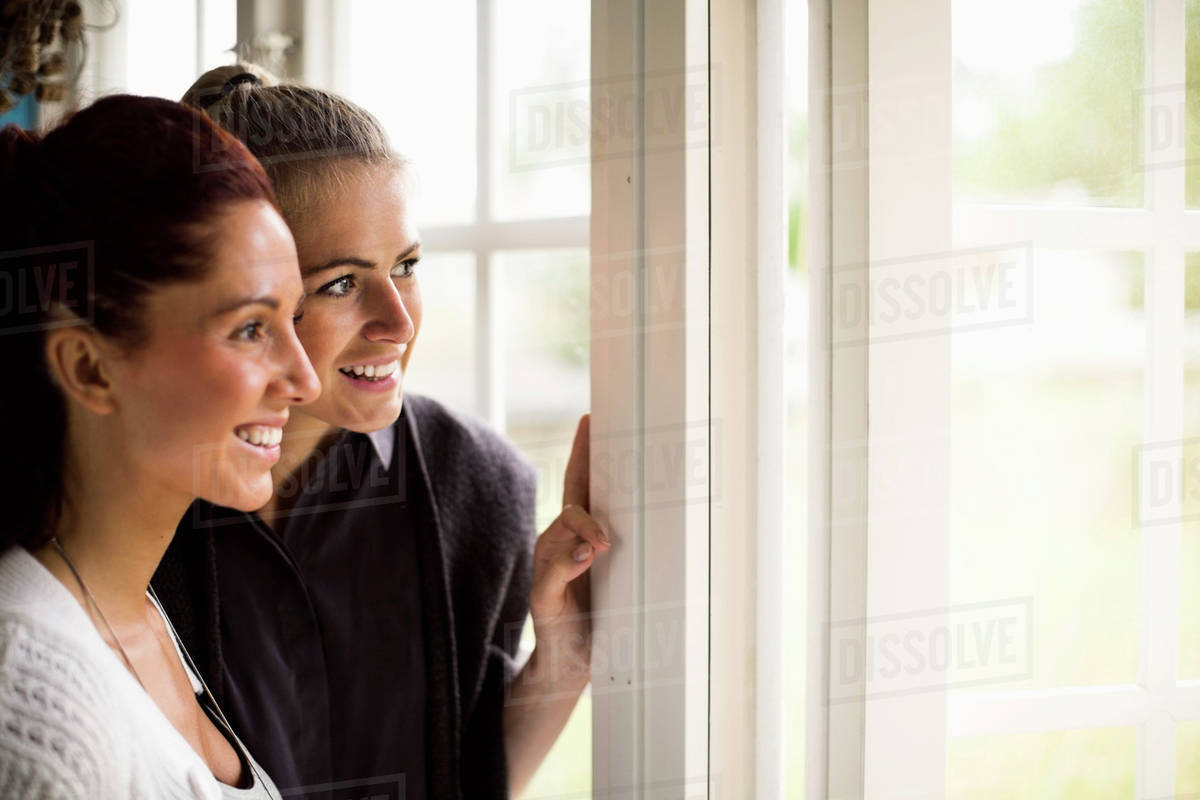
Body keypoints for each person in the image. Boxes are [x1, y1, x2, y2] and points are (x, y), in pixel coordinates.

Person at [153, 66, 608, 800]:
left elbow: (473, 780)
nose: (398, 322)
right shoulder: (139, 494)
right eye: (340, 281)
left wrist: (568, 652)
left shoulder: (476, 484)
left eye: (406, 267)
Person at [0, 94, 320, 798]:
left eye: (292, 318)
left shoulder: (139, 611)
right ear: (88, 368)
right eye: (249, 329)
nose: (305, 379)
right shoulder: (34, 705)